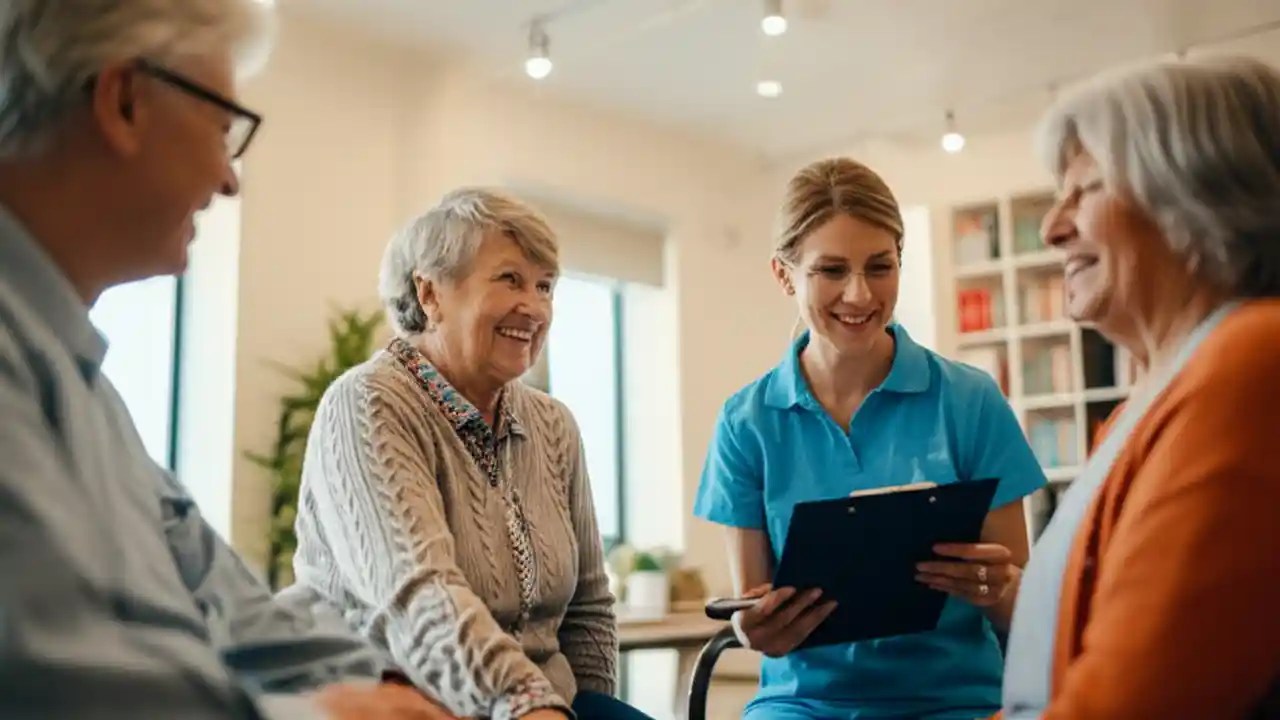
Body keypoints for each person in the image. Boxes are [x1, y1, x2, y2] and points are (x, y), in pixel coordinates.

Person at [0, 1, 456, 719]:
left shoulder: (93, 397)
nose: (229, 178)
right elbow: (51, 682)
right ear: (123, 100)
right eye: (222, 129)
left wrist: (388, 689)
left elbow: (231, 601)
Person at [693, 157, 1048, 719]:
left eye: (879, 267)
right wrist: (756, 629)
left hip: (955, 703)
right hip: (803, 704)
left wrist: (997, 589)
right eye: (831, 271)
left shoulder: (970, 401)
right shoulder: (746, 423)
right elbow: (755, 607)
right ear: (784, 275)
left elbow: (1018, 607)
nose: (859, 295)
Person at [278, 187, 650, 720]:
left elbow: (588, 609)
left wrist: (592, 709)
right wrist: (528, 704)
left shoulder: (553, 424)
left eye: (545, 286)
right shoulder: (367, 403)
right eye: (510, 280)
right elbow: (418, 597)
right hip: (402, 704)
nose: (535, 306)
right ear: (429, 294)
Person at [1000, 55, 1280, 719]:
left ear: (1196, 195)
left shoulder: (1251, 363)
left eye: (1085, 190)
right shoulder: (1144, 405)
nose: (1051, 228)